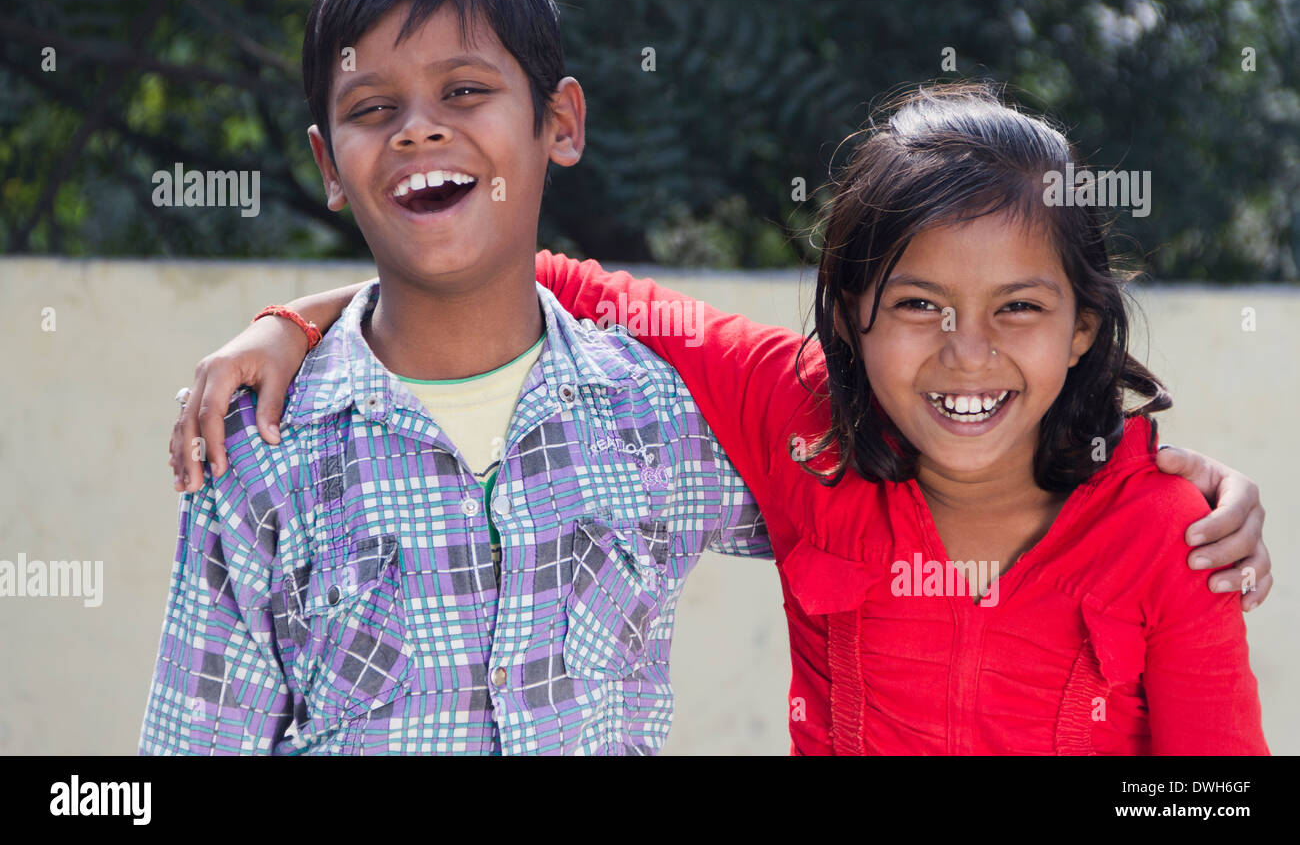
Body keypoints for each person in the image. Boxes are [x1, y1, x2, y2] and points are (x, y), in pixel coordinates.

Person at [175, 85, 1273, 754]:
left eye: (1019, 310)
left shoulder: (1172, 535)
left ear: (1083, 325)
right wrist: (299, 322)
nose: (966, 352)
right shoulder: (801, 421)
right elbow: (530, 278)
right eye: (917, 306)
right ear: (850, 314)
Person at [140, 0, 772, 757]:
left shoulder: (659, 421)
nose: (417, 130)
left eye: (466, 91)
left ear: (561, 122)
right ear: (330, 167)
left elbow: (880, 500)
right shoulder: (261, 449)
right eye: (373, 109)